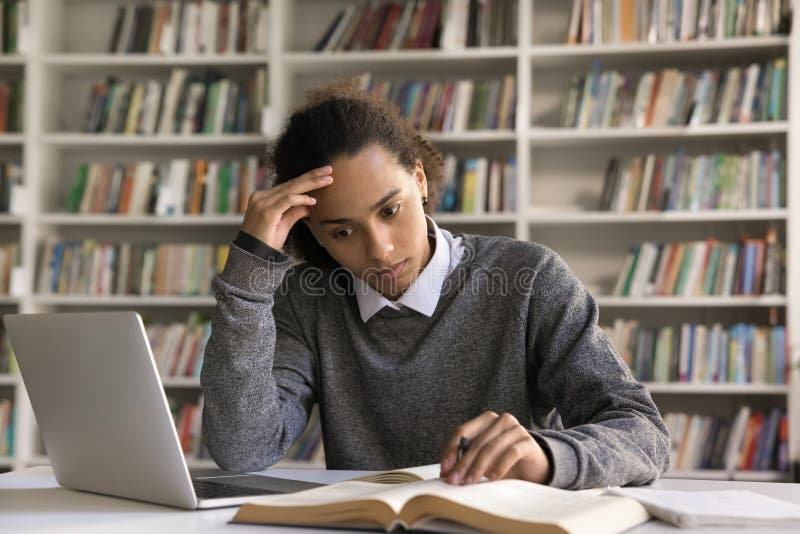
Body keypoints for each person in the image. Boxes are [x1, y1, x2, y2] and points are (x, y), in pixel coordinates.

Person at [200, 78, 670, 490]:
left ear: (419, 180)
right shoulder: (306, 300)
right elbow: (243, 450)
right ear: (312, 233)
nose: (381, 250)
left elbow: (643, 433)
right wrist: (249, 274)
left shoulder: (528, 279)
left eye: (390, 210)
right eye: (342, 232)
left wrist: (547, 458)